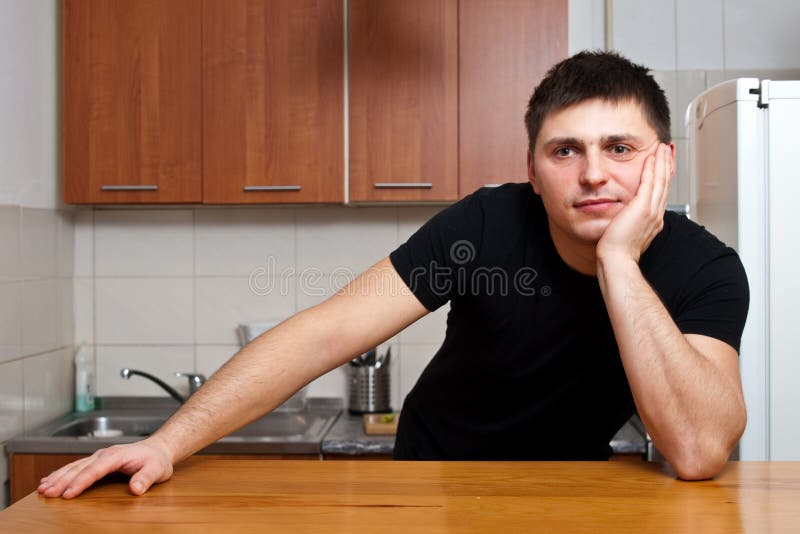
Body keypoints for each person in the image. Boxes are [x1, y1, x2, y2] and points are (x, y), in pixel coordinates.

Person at [38, 51, 748, 499]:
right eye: (565, 151)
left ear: (663, 161)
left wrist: (618, 260)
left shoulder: (706, 267)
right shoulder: (483, 225)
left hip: (570, 488)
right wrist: (164, 443)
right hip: (433, 478)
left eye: (619, 148)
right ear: (533, 172)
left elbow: (696, 450)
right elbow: (324, 334)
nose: (593, 174)